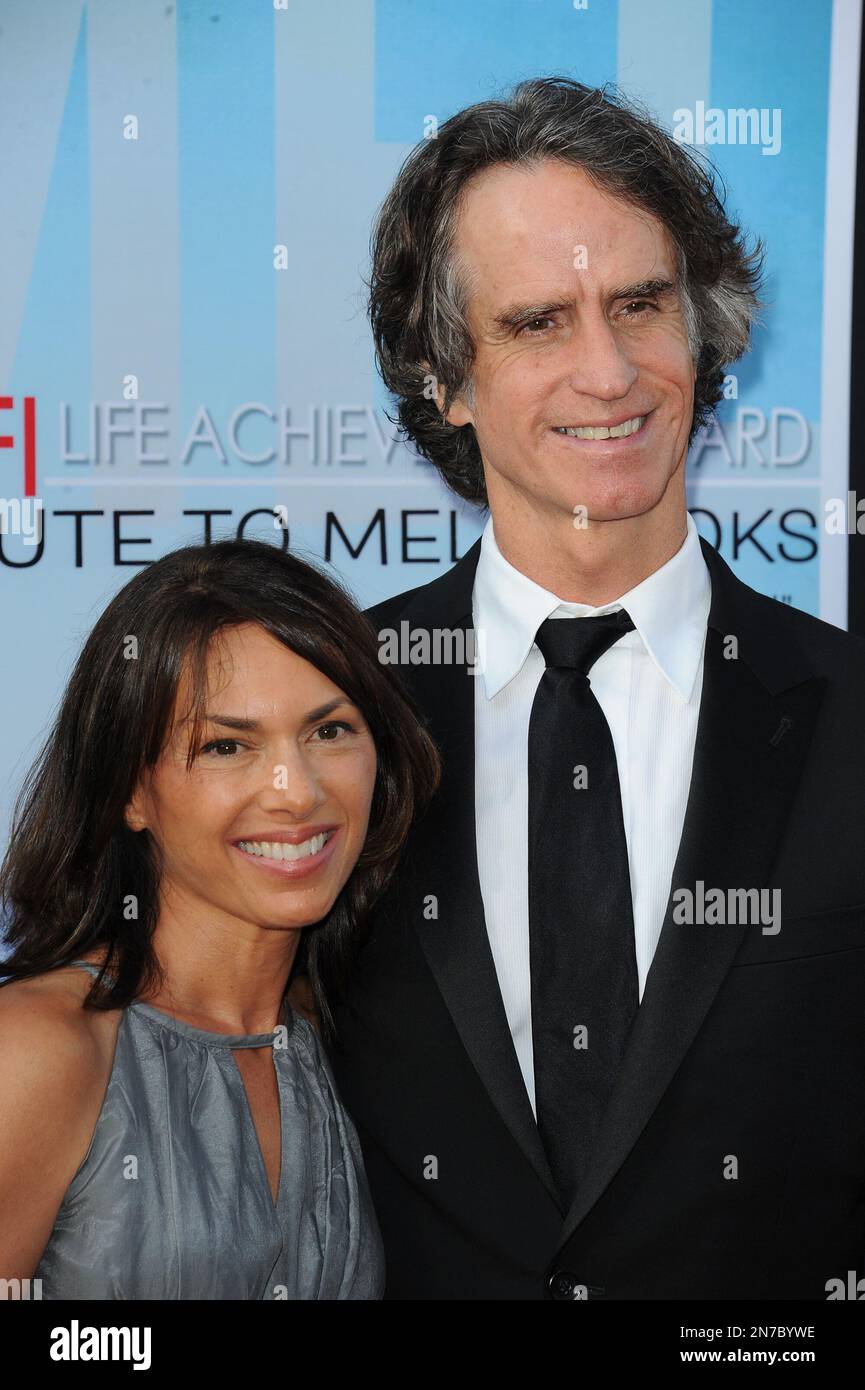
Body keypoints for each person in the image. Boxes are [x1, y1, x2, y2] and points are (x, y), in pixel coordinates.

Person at [325, 77, 865, 1299]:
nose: (609, 371)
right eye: (535, 323)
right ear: (442, 378)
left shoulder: (847, 718)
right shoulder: (327, 713)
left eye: (639, 305)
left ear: (707, 332)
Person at [0, 538, 439, 1299]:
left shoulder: (350, 1044)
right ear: (129, 793)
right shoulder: (42, 1050)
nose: (294, 791)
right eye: (226, 745)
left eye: (328, 730)